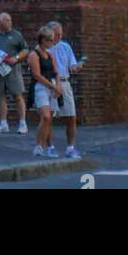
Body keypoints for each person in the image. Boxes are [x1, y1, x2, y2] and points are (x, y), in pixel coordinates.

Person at [0, 12, 30, 134]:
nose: (10, 22)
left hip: (13, 71)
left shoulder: (16, 35)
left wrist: (17, 57)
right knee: (0, 97)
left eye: (10, 20)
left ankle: (23, 123)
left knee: (18, 96)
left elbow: (25, 50)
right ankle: (3, 123)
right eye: (7, 20)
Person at [47, 21, 84, 158]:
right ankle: (50, 146)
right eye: (57, 34)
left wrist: (77, 67)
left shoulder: (65, 47)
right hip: (51, 83)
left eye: (61, 33)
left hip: (64, 81)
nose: (60, 36)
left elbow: (72, 66)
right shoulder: (45, 49)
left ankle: (71, 147)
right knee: (48, 118)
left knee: (71, 117)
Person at [26, 26, 62, 157]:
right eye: (50, 40)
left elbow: (56, 71)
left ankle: (49, 146)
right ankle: (39, 145)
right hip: (40, 87)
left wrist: (58, 85)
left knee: (49, 119)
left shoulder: (50, 55)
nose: (52, 43)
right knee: (45, 116)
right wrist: (52, 86)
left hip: (51, 85)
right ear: (43, 40)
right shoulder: (33, 55)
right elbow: (37, 75)